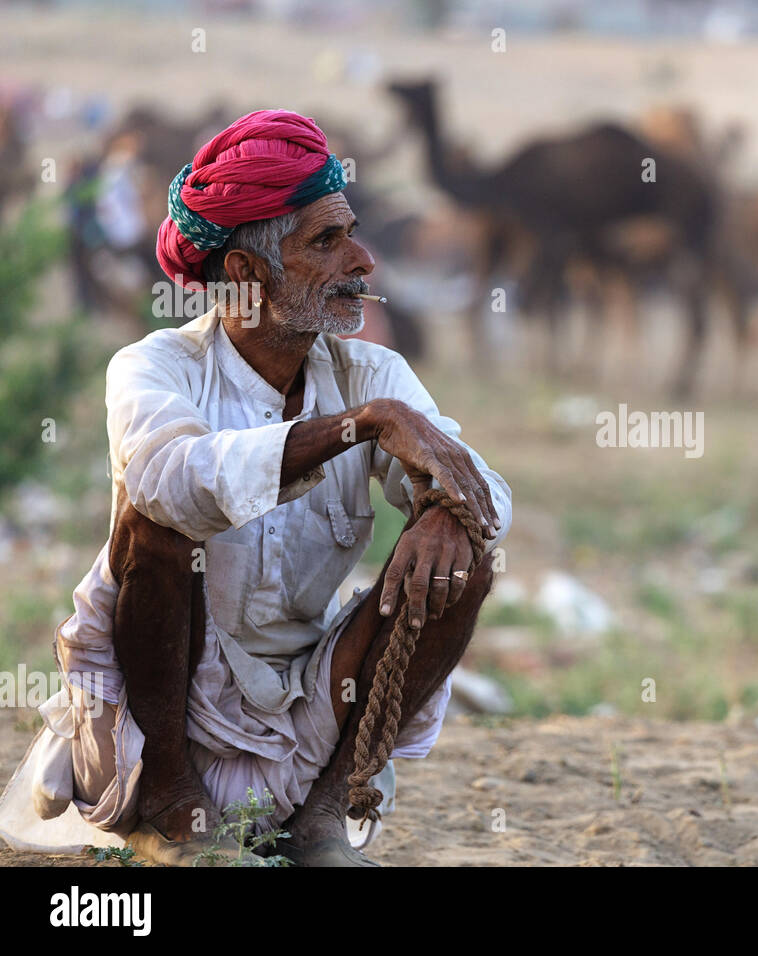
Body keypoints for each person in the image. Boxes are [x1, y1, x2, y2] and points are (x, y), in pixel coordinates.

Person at [0, 109, 511, 866]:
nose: (363, 262)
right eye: (327, 242)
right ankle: (174, 810)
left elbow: (492, 498)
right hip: (154, 725)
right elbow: (173, 486)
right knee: (154, 525)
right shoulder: (155, 367)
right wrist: (358, 428)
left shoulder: (373, 375)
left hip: (309, 711)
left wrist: (446, 510)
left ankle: (325, 816)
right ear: (246, 276)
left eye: (352, 233)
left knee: (465, 553)